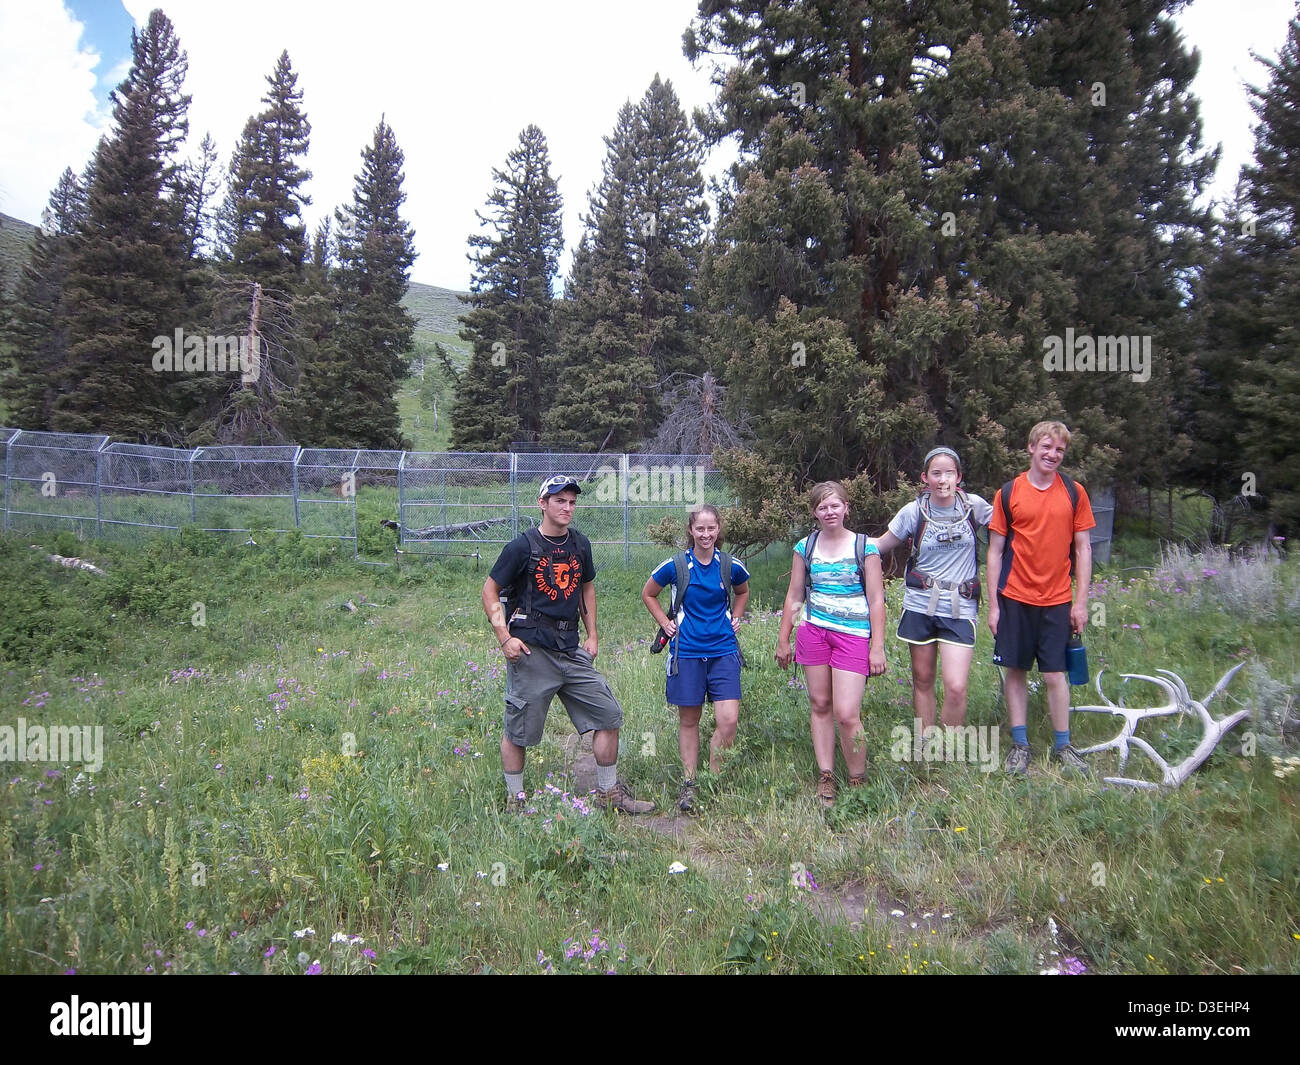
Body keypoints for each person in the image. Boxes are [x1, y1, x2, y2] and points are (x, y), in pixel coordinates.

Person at [481, 475, 655, 814]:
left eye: (572, 502)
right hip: (532, 651)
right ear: (542, 504)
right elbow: (489, 590)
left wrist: (592, 634)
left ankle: (609, 795)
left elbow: (585, 587)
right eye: (560, 500)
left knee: (608, 715)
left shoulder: (580, 545)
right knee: (519, 731)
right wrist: (504, 638)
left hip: (570, 648)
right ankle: (515, 801)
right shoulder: (521, 547)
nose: (567, 507)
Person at [985, 421, 1096, 776]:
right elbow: (995, 551)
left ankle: (1064, 745)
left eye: (1059, 450)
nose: (1052, 455)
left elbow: (1083, 547)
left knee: (1054, 674)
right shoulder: (1008, 492)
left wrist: (1081, 602)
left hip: (1057, 599)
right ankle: (1020, 744)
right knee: (1015, 670)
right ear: (1031, 448)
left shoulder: (1074, 492)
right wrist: (994, 604)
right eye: (1046, 447)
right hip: (1015, 596)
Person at [776, 481, 887, 807]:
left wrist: (877, 646)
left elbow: (877, 599)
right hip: (814, 632)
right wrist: (784, 637)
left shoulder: (865, 548)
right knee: (820, 704)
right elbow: (795, 595)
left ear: (846, 508)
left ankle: (857, 778)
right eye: (823, 507)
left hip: (853, 636)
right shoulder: (805, 547)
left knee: (847, 713)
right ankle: (826, 775)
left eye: (835, 505)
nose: (829, 512)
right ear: (814, 512)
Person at [870, 447, 993, 738]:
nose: (942, 479)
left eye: (949, 472)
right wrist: (839, 547)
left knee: (956, 686)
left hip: (960, 607)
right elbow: (881, 544)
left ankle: (949, 746)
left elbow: (1010, 526)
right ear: (925, 478)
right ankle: (927, 743)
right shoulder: (913, 511)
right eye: (936, 473)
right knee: (923, 679)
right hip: (920, 604)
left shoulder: (974, 506)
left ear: (958, 477)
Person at [642, 504, 751, 813]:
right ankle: (690, 783)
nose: (705, 534)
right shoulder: (676, 565)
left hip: (723, 651)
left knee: (728, 721)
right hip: (686, 652)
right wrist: (665, 623)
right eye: (699, 529)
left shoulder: (730, 565)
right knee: (689, 720)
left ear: (719, 530)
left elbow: (742, 591)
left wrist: (737, 617)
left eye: (711, 528)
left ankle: (712, 780)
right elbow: (648, 593)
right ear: (690, 531)